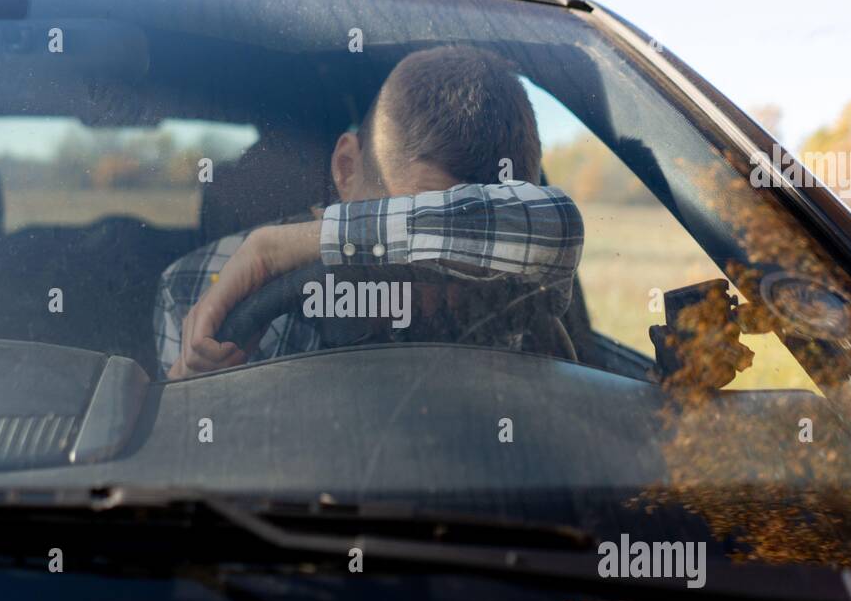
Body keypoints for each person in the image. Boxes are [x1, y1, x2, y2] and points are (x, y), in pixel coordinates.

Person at [155, 45, 584, 378]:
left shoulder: (526, 296)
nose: (438, 288)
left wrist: (279, 248)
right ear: (345, 168)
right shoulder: (193, 287)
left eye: (472, 246)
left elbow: (559, 228)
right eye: (408, 219)